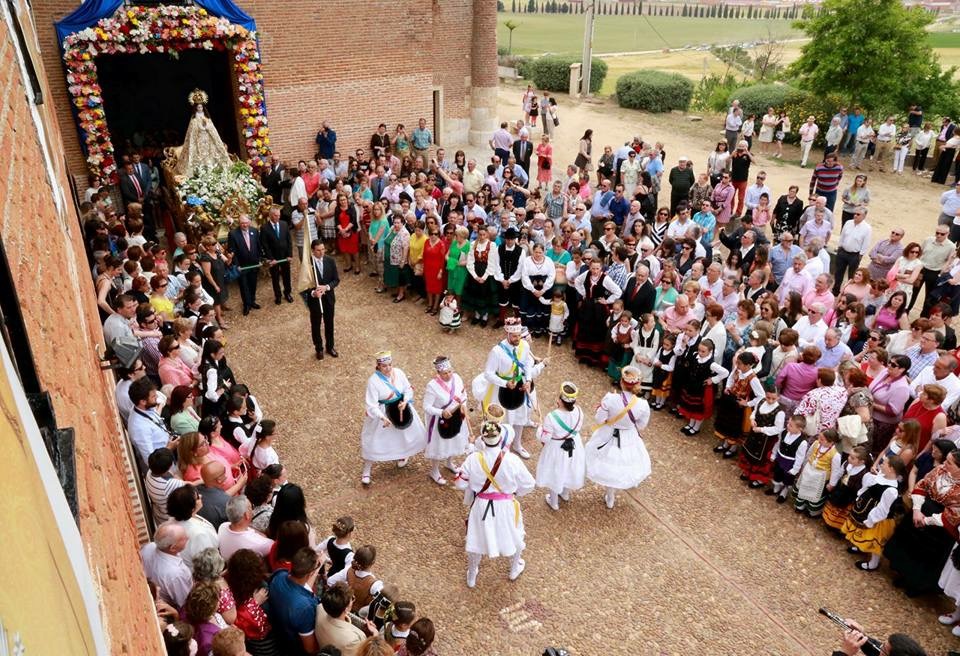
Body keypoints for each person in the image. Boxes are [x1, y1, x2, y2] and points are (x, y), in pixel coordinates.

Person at [455, 414, 535, 588]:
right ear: (501, 439)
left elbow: (460, 483)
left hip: (481, 504)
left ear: (483, 439)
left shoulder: (473, 459)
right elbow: (529, 484)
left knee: (476, 540)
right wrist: (514, 493)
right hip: (506, 504)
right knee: (516, 535)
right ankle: (514, 568)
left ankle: (472, 574)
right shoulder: (513, 460)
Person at [884, 449, 960, 597]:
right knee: (909, 545)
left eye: (949, 462)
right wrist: (917, 510)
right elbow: (923, 484)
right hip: (920, 511)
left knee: (924, 555)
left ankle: (916, 584)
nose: (944, 464)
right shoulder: (940, 469)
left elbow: (954, 514)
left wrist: (926, 521)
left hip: (939, 526)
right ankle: (903, 573)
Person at [472, 317, 546, 459]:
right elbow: (488, 374)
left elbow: (526, 366)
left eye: (518, 335)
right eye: (514, 336)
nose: (517, 338)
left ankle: (517, 445)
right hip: (501, 388)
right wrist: (504, 383)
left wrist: (528, 380)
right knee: (502, 419)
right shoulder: (497, 351)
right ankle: (500, 447)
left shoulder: (524, 345)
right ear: (507, 334)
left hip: (518, 386)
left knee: (521, 415)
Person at [584, 366, 653, 509]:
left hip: (607, 433)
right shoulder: (643, 405)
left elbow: (599, 420)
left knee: (606, 463)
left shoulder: (610, 399)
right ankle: (611, 496)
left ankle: (610, 496)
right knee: (623, 464)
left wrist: (601, 410)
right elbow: (641, 426)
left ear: (622, 382)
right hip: (628, 436)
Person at [361, 351, 427, 485]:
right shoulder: (373, 381)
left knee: (404, 434)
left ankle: (403, 455)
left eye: (390, 365)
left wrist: (406, 401)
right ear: (378, 366)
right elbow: (371, 405)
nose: (388, 368)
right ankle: (367, 470)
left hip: (401, 407)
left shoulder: (399, 373)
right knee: (374, 440)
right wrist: (382, 417)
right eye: (384, 366)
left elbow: (408, 389)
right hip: (384, 412)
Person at [535, 382, 586, 511]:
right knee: (569, 468)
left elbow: (545, 438)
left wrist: (540, 428)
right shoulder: (579, 411)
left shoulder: (552, 417)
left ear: (560, 400)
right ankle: (565, 493)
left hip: (557, 448)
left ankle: (554, 502)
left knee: (555, 472)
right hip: (574, 445)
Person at [422, 356, 470, 486]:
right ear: (438, 373)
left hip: (456, 416)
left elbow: (463, 395)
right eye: (445, 373)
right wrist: (441, 412)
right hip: (440, 420)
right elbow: (426, 407)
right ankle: (434, 471)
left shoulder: (457, 378)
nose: (448, 375)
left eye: (450, 371)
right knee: (439, 444)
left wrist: (464, 404)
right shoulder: (432, 386)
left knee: (454, 439)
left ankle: (449, 463)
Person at [268, 548, 323, 656]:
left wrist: (316, 569)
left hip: (278, 633)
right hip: (294, 648)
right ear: (310, 574)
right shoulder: (305, 607)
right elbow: (310, 648)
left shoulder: (279, 575)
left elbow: (301, 587)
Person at [300, 239, 339, 360]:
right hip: (315, 301)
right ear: (312, 251)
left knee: (329, 323)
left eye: (323, 249)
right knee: (316, 325)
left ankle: (330, 346)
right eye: (318, 250)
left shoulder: (330, 261)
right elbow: (303, 286)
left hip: (328, 299)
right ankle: (319, 348)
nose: (321, 252)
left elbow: (336, 280)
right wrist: (312, 293)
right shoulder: (307, 265)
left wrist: (327, 287)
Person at [140, 523, 192, 609]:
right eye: (183, 538)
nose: (188, 537)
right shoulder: (177, 574)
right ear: (172, 548)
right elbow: (185, 602)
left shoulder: (148, 547)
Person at [315, 581, 374, 655]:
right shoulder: (355, 638)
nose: (353, 601)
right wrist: (374, 636)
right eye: (352, 599)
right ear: (346, 608)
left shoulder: (320, 608)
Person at [227, 215, 261, 316]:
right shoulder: (233, 234)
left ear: (249, 222)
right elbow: (232, 250)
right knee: (244, 285)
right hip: (241, 265)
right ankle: (246, 304)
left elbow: (258, 246)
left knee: (253, 283)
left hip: (254, 264)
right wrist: (236, 265)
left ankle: (252, 301)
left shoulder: (254, 231)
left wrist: (259, 259)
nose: (244, 225)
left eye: (246, 223)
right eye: (242, 223)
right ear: (239, 223)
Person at [260, 206, 294, 304]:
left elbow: (289, 241)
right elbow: (265, 245)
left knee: (286, 276)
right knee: (275, 277)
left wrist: (289, 255)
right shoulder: (264, 228)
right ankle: (278, 296)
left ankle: (287, 293)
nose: (278, 217)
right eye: (275, 215)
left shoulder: (284, 224)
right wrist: (270, 258)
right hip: (273, 258)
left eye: (279, 215)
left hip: (285, 257)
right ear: (270, 215)